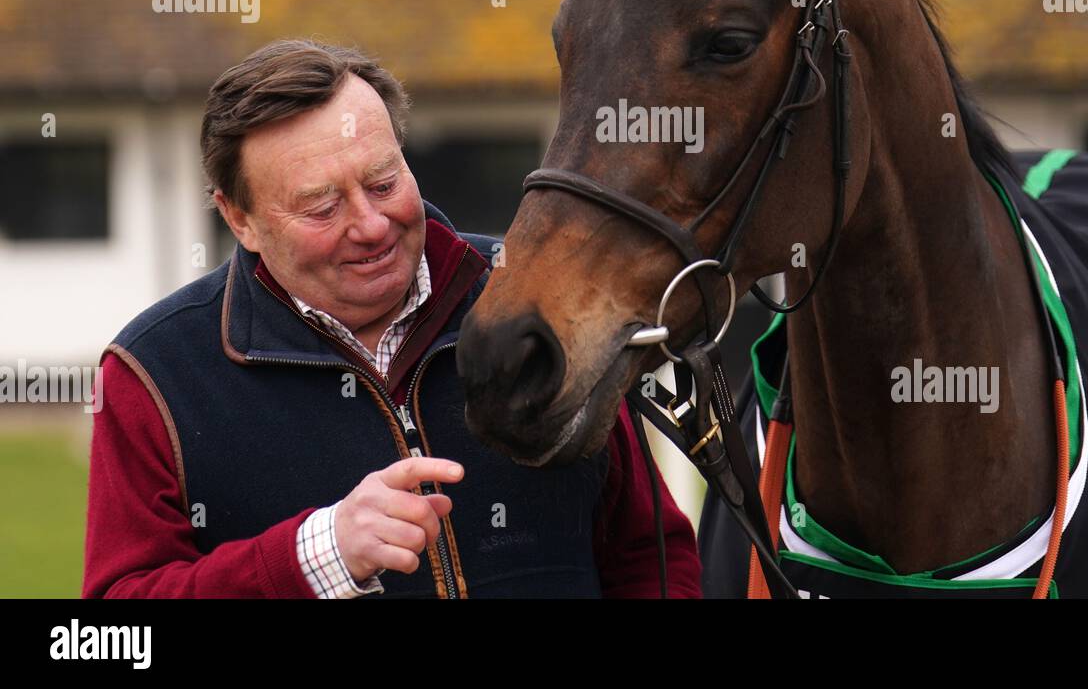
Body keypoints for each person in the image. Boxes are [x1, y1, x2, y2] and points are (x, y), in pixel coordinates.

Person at [82, 39, 701, 598]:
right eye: (322, 206)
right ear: (238, 218)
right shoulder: (153, 375)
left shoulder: (534, 298)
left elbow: (651, 554)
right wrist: (313, 557)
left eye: (383, 182)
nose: (372, 226)